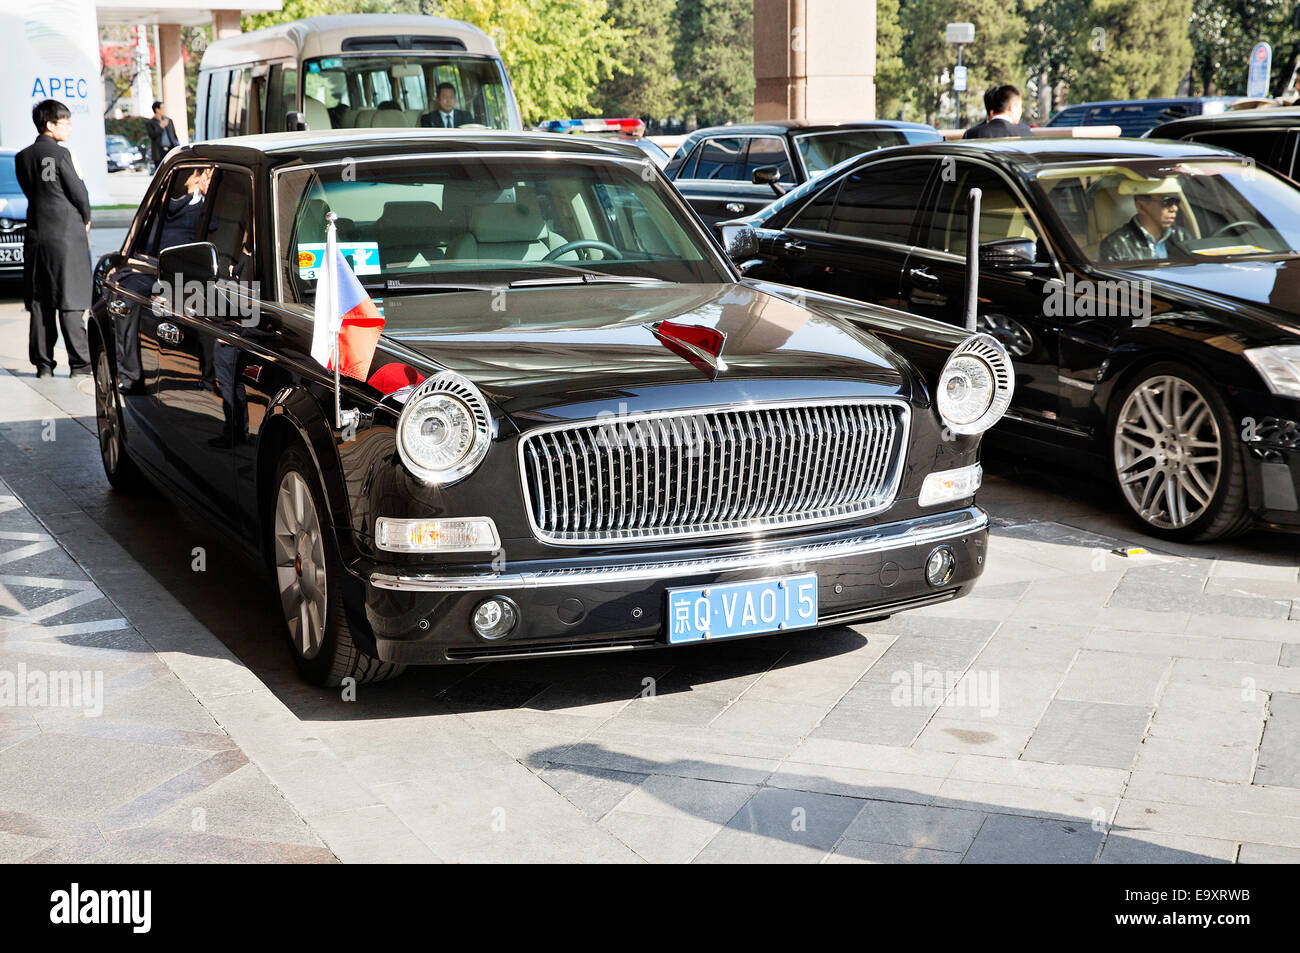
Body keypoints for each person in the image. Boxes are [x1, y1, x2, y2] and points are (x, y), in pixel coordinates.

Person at [14, 99, 92, 378]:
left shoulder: (22, 157)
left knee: (40, 302)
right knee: (70, 301)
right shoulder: (62, 155)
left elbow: (32, 191)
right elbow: (79, 193)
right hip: (66, 237)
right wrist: (86, 218)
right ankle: (80, 364)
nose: (69, 128)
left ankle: (44, 365)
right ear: (50, 125)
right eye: (66, 122)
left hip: (37, 236)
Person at [1099, 179, 1192, 261]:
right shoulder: (1115, 246)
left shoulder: (1182, 236)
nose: (1174, 208)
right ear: (1141, 207)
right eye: (1167, 202)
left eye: (1176, 201)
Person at [963, 85, 1034, 139]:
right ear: (1012, 108)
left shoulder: (972, 134)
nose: (1021, 111)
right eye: (1020, 106)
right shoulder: (1026, 135)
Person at [145, 101, 178, 170]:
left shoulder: (169, 121)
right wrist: (161, 127)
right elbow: (152, 136)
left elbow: (174, 136)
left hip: (170, 149)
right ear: (157, 110)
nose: (164, 110)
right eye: (163, 108)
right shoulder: (150, 123)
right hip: (159, 152)